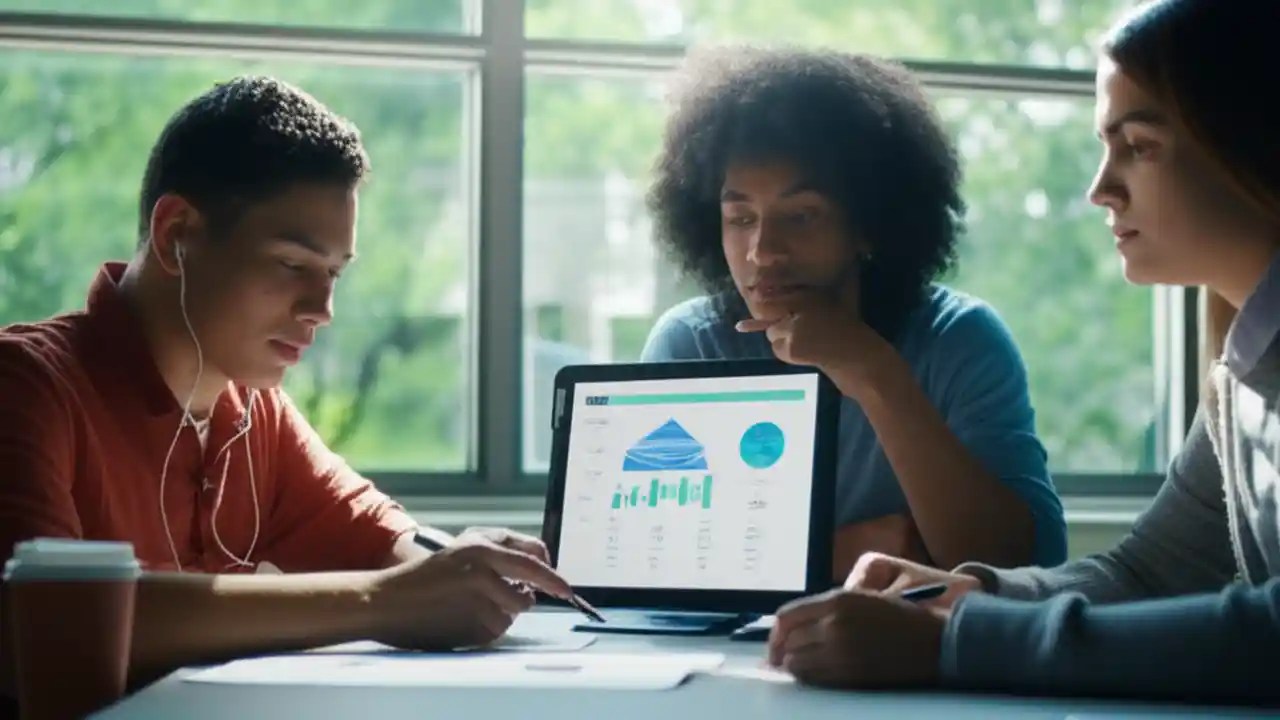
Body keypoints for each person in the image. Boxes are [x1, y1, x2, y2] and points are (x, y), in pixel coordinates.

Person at [768, 0, 1280, 704]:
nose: (1101, 189)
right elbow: (1150, 573)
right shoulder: (1238, 372)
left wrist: (954, 641)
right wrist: (970, 592)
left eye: (1139, 145)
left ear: (1252, 143)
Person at [0, 76, 574, 702]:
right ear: (175, 235)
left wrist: (465, 568)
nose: (322, 308)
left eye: (333, 273)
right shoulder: (27, 387)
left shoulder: (253, 410)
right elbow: (40, 622)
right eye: (291, 264)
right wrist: (384, 601)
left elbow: (387, 545)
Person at [641, 46, 1067, 578]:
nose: (762, 251)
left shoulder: (959, 338)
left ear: (868, 224)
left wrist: (874, 372)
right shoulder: (692, 342)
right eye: (740, 217)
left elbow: (1030, 563)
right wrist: (842, 552)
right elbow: (649, 558)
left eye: (801, 216)